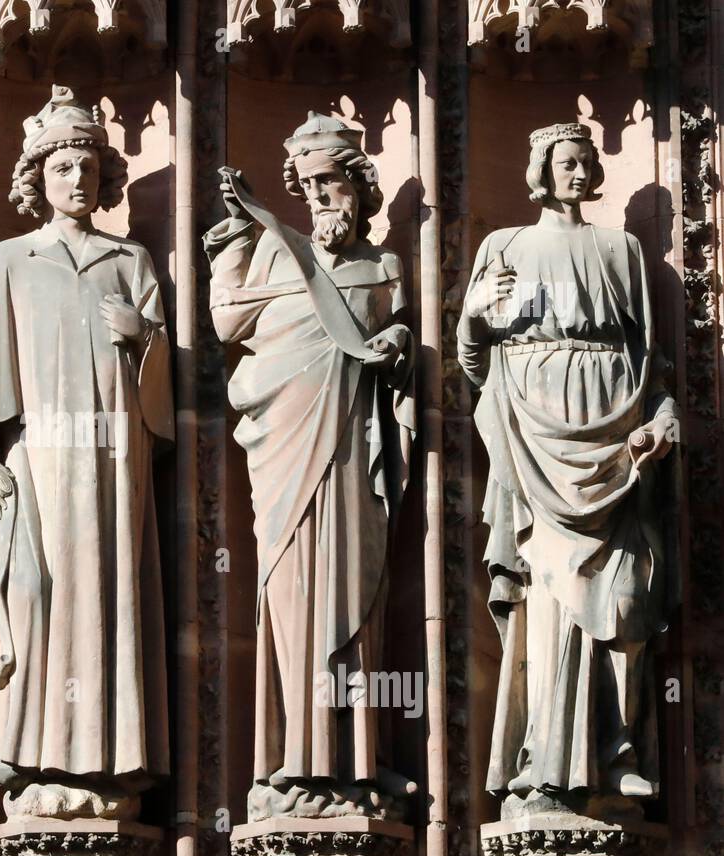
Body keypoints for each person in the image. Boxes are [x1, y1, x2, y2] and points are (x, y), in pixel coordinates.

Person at [0, 86, 173, 819]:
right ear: (37, 178)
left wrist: (143, 338)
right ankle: (31, 757)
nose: (76, 180)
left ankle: (108, 764)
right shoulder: (6, 264)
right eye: (61, 168)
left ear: (105, 176)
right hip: (39, 459)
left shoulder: (130, 262)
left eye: (87, 166)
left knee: (107, 593)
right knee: (38, 594)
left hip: (113, 465)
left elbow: (166, 398)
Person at [458, 122, 679, 807]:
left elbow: (651, 361)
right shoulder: (506, 247)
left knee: (624, 596)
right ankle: (545, 755)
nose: (578, 172)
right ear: (541, 170)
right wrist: (472, 321)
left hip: (613, 438)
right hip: (532, 440)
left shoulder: (622, 251)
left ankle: (617, 751)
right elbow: (475, 365)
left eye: (587, 161)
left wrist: (662, 419)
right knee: (548, 604)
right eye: (565, 162)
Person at [206, 112, 416, 820]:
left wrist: (397, 341)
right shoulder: (276, 251)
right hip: (285, 449)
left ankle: (357, 759)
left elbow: (402, 343)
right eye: (309, 185)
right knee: (293, 593)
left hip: (355, 447)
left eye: (334, 182)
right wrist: (234, 243)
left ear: (361, 186)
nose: (322, 197)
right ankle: (294, 757)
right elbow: (227, 325)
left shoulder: (386, 266)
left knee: (356, 591)